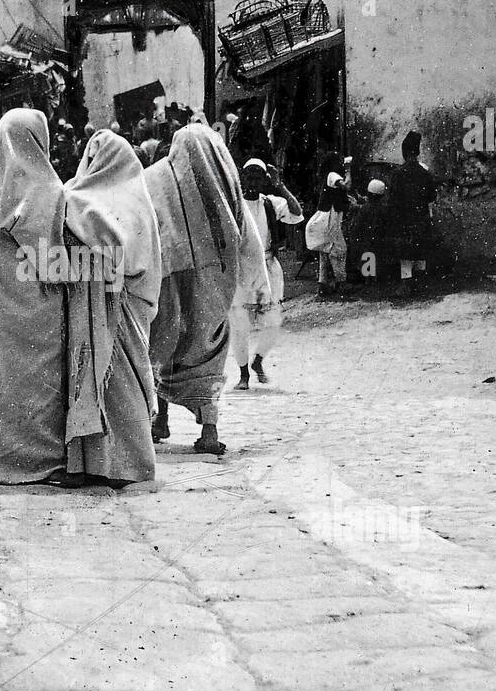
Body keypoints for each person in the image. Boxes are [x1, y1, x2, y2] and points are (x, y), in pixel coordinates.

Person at [0, 109, 69, 484]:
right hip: (27, 302)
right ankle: (33, 456)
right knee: (32, 376)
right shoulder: (28, 177)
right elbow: (46, 248)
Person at [147, 127, 269, 454]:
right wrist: (260, 287)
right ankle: (209, 430)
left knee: (163, 344)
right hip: (214, 285)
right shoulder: (224, 186)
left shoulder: (156, 177)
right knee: (208, 351)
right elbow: (250, 238)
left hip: (168, 276)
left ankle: (159, 421)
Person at [63, 130, 161, 484]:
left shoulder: (128, 202)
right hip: (99, 305)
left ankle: (130, 465)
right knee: (91, 380)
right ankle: (89, 465)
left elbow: (129, 254)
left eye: (92, 159)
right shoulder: (87, 197)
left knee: (123, 385)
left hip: (122, 306)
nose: (88, 166)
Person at [229, 157, 303, 389]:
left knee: (273, 321)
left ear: (264, 180)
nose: (252, 181)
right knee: (239, 325)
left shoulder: (271, 203)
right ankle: (243, 374)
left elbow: (297, 213)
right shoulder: (234, 205)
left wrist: (280, 185)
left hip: (269, 267)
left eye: (257, 176)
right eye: (248, 176)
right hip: (242, 270)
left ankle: (258, 361)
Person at [386, 130, 437, 294]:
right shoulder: (425, 174)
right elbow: (432, 196)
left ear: (404, 152)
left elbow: (392, 199)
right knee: (421, 247)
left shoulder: (398, 174)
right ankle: (421, 282)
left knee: (405, 250)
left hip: (404, 217)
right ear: (417, 152)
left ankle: (406, 283)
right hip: (421, 216)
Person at [315, 160, 353, 296]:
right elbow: (346, 186)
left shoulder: (330, 178)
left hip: (326, 218)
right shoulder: (332, 175)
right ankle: (341, 283)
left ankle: (322, 283)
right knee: (340, 249)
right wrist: (348, 169)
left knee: (325, 251)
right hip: (330, 219)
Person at [347, 179, 389, 286]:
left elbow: (357, 226)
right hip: (379, 238)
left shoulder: (364, 208)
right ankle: (375, 279)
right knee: (378, 257)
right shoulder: (383, 208)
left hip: (366, 238)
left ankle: (367, 279)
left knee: (366, 255)